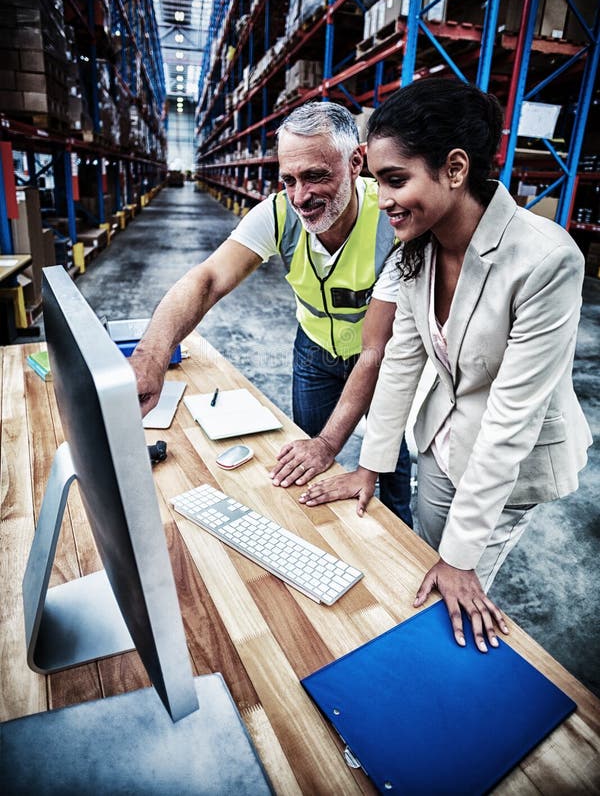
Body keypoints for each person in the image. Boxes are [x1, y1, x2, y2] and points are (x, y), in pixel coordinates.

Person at [300, 77, 592, 652]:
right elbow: (398, 366)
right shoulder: (418, 250)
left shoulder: (546, 260)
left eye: (395, 179)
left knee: (452, 592)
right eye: (376, 180)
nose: (381, 200)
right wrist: (372, 466)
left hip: (514, 462)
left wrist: (462, 559)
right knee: (420, 567)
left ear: (455, 169)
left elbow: (512, 419)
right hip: (438, 442)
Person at [130, 101, 413, 524]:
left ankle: (404, 539)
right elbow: (207, 279)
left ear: (356, 162)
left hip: (381, 357)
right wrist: (151, 356)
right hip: (315, 354)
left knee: (388, 461)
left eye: (316, 176)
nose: (301, 196)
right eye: (289, 180)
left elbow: (380, 350)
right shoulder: (279, 214)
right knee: (309, 460)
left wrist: (330, 443)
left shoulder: (391, 219)